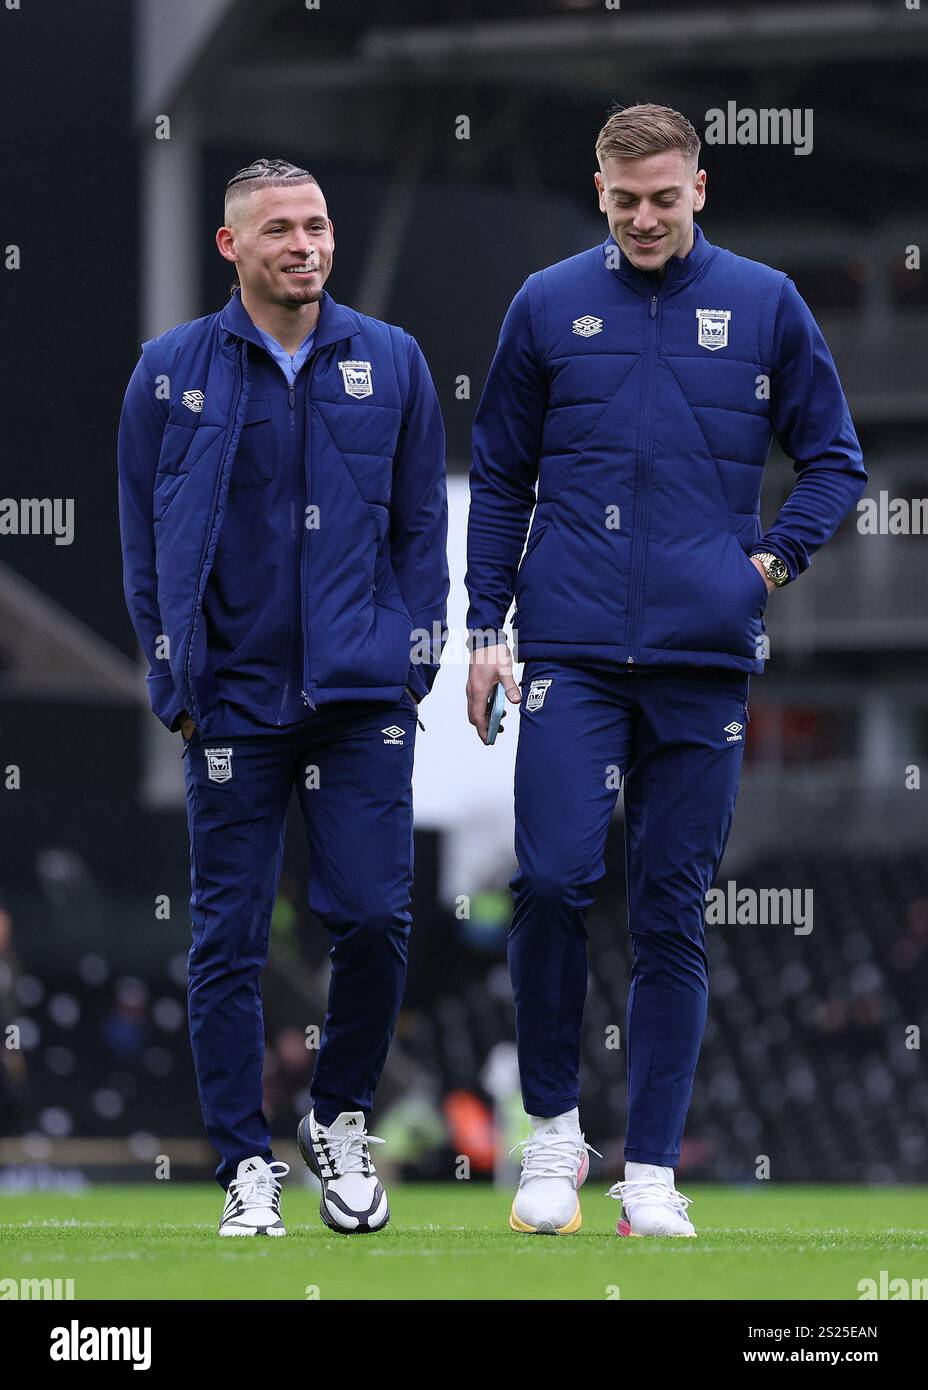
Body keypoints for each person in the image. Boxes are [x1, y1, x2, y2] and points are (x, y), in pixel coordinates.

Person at [465, 105, 866, 1237]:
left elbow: (834, 459)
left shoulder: (765, 303)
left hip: (701, 659)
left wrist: (770, 566)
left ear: (699, 187)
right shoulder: (545, 302)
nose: (645, 216)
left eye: (665, 196)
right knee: (546, 881)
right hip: (573, 650)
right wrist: (484, 626)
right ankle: (551, 1139)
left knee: (671, 912)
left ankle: (648, 1176)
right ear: (599, 190)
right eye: (624, 197)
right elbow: (497, 476)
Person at [118, 158, 448, 1236]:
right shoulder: (168, 375)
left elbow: (419, 536)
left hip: (361, 700)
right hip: (232, 704)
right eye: (279, 230)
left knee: (376, 918)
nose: (304, 244)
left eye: (317, 225)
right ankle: (242, 1167)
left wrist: (411, 668)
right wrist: (173, 682)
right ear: (231, 247)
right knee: (227, 943)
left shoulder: (392, 361)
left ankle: (340, 1118)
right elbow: (139, 541)